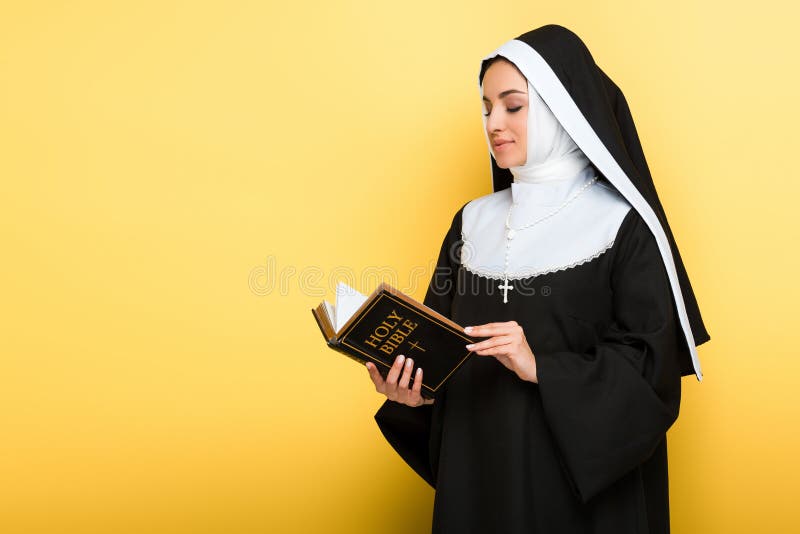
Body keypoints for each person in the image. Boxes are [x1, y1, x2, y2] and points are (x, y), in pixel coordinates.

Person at [364, 24, 710, 534]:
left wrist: (539, 365)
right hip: (480, 479)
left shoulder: (623, 225)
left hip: (580, 502)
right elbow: (440, 349)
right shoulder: (472, 222)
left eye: (513, 105)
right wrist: (415, 392)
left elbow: (650, 371)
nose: (493, 124)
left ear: (560, 109)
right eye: (485, 108)